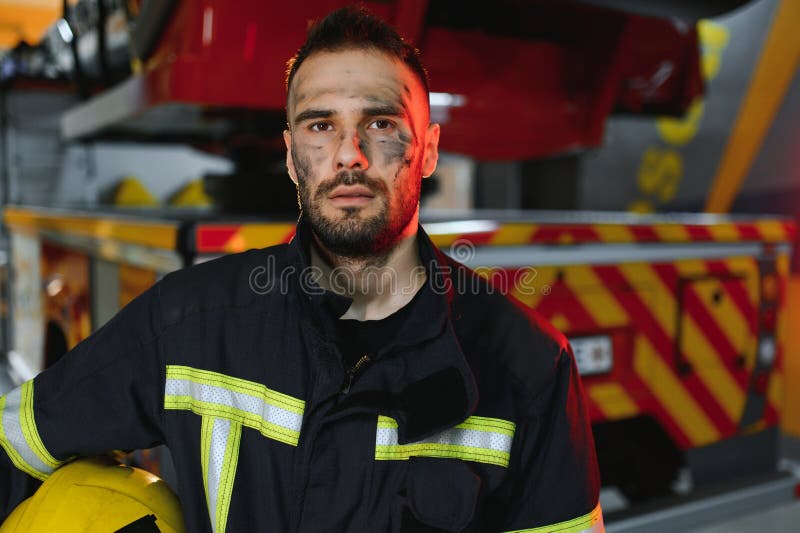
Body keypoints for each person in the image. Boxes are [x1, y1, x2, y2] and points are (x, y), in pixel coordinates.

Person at [0, 6, 602, 532]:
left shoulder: (528, 366)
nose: (349, 154)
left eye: (381, 123)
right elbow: (18, 442)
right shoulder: (186, 323)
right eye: (321, 126)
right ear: (291, 157)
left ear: (428, 149)